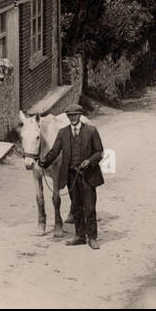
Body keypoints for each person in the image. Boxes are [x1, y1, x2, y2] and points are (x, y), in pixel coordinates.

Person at [39, 104, 104, 249]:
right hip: (71, 176)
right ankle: (80, 236)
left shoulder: (91, 130)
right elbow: (54, 151)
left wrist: (90, 161)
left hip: (88, 175)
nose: (73, 118)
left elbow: (99, 151)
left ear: (80, 115)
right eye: (70, 116)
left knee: (89, 207)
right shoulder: (63, 133)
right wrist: (44, 162)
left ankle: (92, 237)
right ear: (68, 117)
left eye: (75, 115)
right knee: (76, 207)